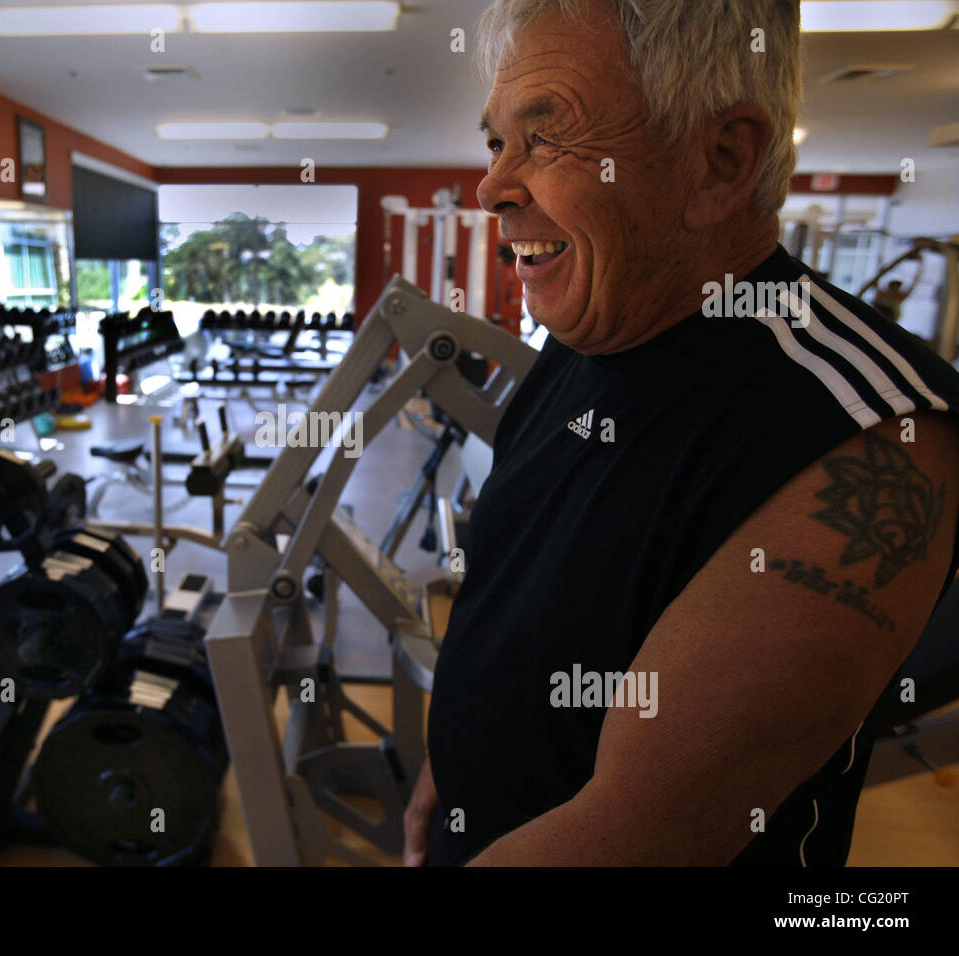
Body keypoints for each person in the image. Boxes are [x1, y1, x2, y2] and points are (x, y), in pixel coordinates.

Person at [405, 0, 959, 866]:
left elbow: (639, 836)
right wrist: (455, 758)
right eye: (496, 141)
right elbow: (509, 595)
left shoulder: (872, 432)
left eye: (545, 139)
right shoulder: (589, 335)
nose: (493, 187)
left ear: (719, 162)